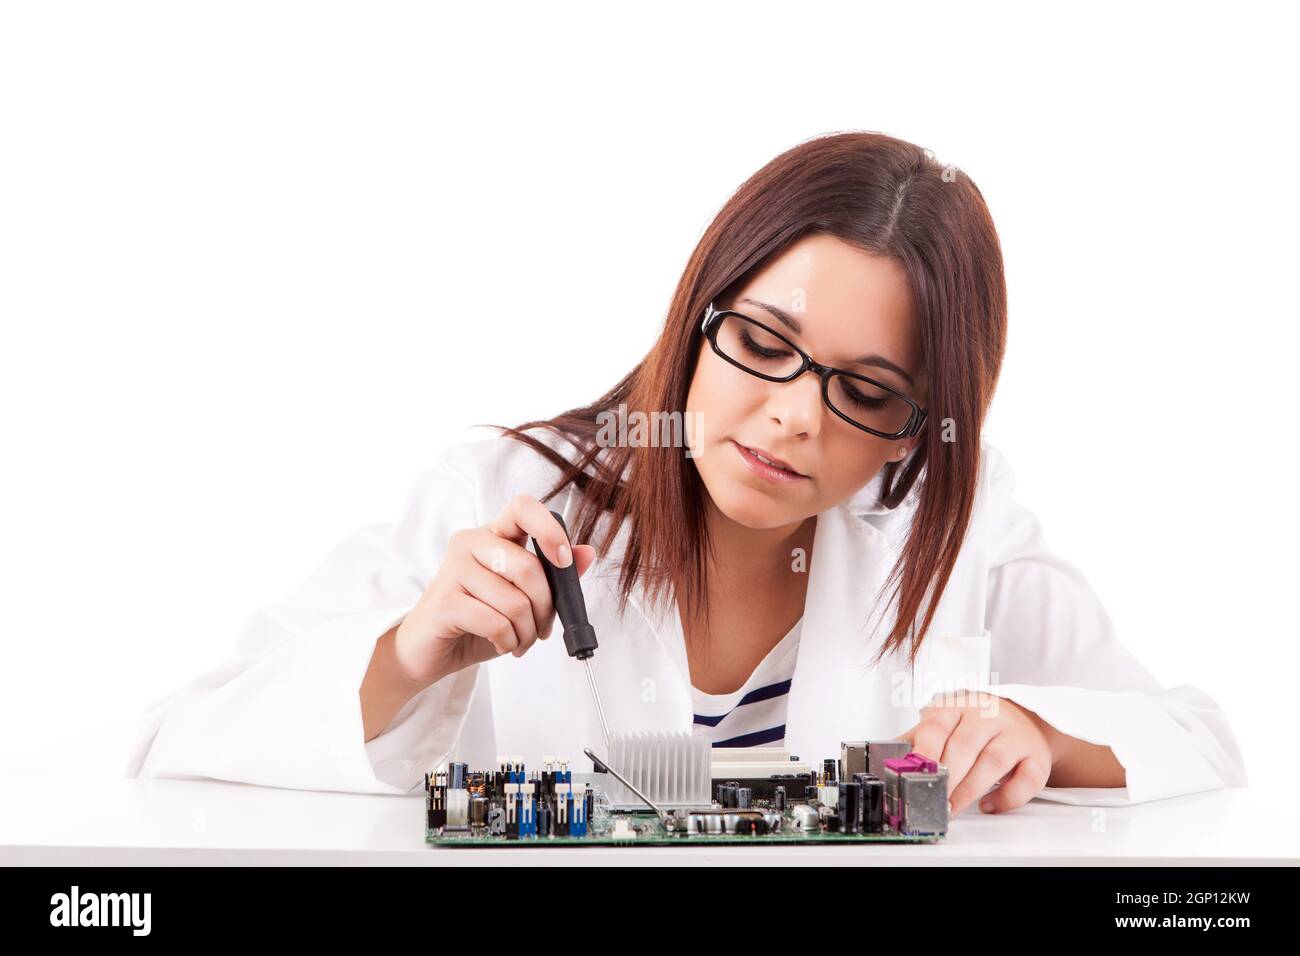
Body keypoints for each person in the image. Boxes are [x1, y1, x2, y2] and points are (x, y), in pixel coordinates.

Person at [126, 131, 1247, 816]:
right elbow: (176, 739)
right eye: (762, 342)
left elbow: (1196, 739)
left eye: (865, 392)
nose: (793, 417)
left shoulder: (957, 523)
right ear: (695, 314)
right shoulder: (506, 493)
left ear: (919, 428)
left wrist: (1044, 738)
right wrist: (409, 652)